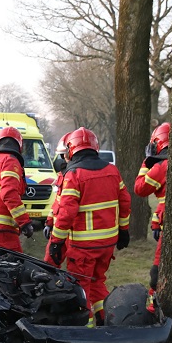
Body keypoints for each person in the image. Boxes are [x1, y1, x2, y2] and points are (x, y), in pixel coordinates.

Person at [45, 127, 131, 327]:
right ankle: (106, 321)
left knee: (80, 288)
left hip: (83, 248)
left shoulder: (74, 174)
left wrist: (57, 242)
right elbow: (125, 201)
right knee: (97, 282)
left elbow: (66, 213)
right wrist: (123, 230)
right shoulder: (112, 170)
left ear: (71, 149)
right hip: (106, 245)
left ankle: (86, 333)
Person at [133, 122, 170, 296]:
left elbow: (140, 188)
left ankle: (153, 307)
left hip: (169, 231)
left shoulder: (161, 167)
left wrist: (146, 162)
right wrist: (156, 222)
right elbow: (165, 200)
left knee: (157, 272)